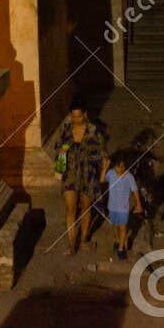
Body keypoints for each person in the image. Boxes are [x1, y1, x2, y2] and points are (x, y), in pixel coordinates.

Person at [54, 98, 106, 255]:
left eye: (79, 116)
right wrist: (61, 152)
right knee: (70, 208)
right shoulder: (65, 130)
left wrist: (101, 174)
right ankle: (71, 245)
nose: (76, 120)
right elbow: (57, 147)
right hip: (69, 173)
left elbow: (102, 155)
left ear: (85, 114)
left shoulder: (94, 131)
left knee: (85, 208)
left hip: (88, 174)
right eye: (73, 116)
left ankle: (83, 240)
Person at [100, 150, 142, 260]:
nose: (121, 169)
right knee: (115, 225)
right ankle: (117, 240)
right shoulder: (111, 173)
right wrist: (105, 167)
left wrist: (138, 204)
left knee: (123, 227)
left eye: (123, 166)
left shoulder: (129, 177)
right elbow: (102, 180)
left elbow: (135, 191)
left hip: (123, 208)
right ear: (114, 166)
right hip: (112, 206)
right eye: (118, 167)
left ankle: (121, 248)